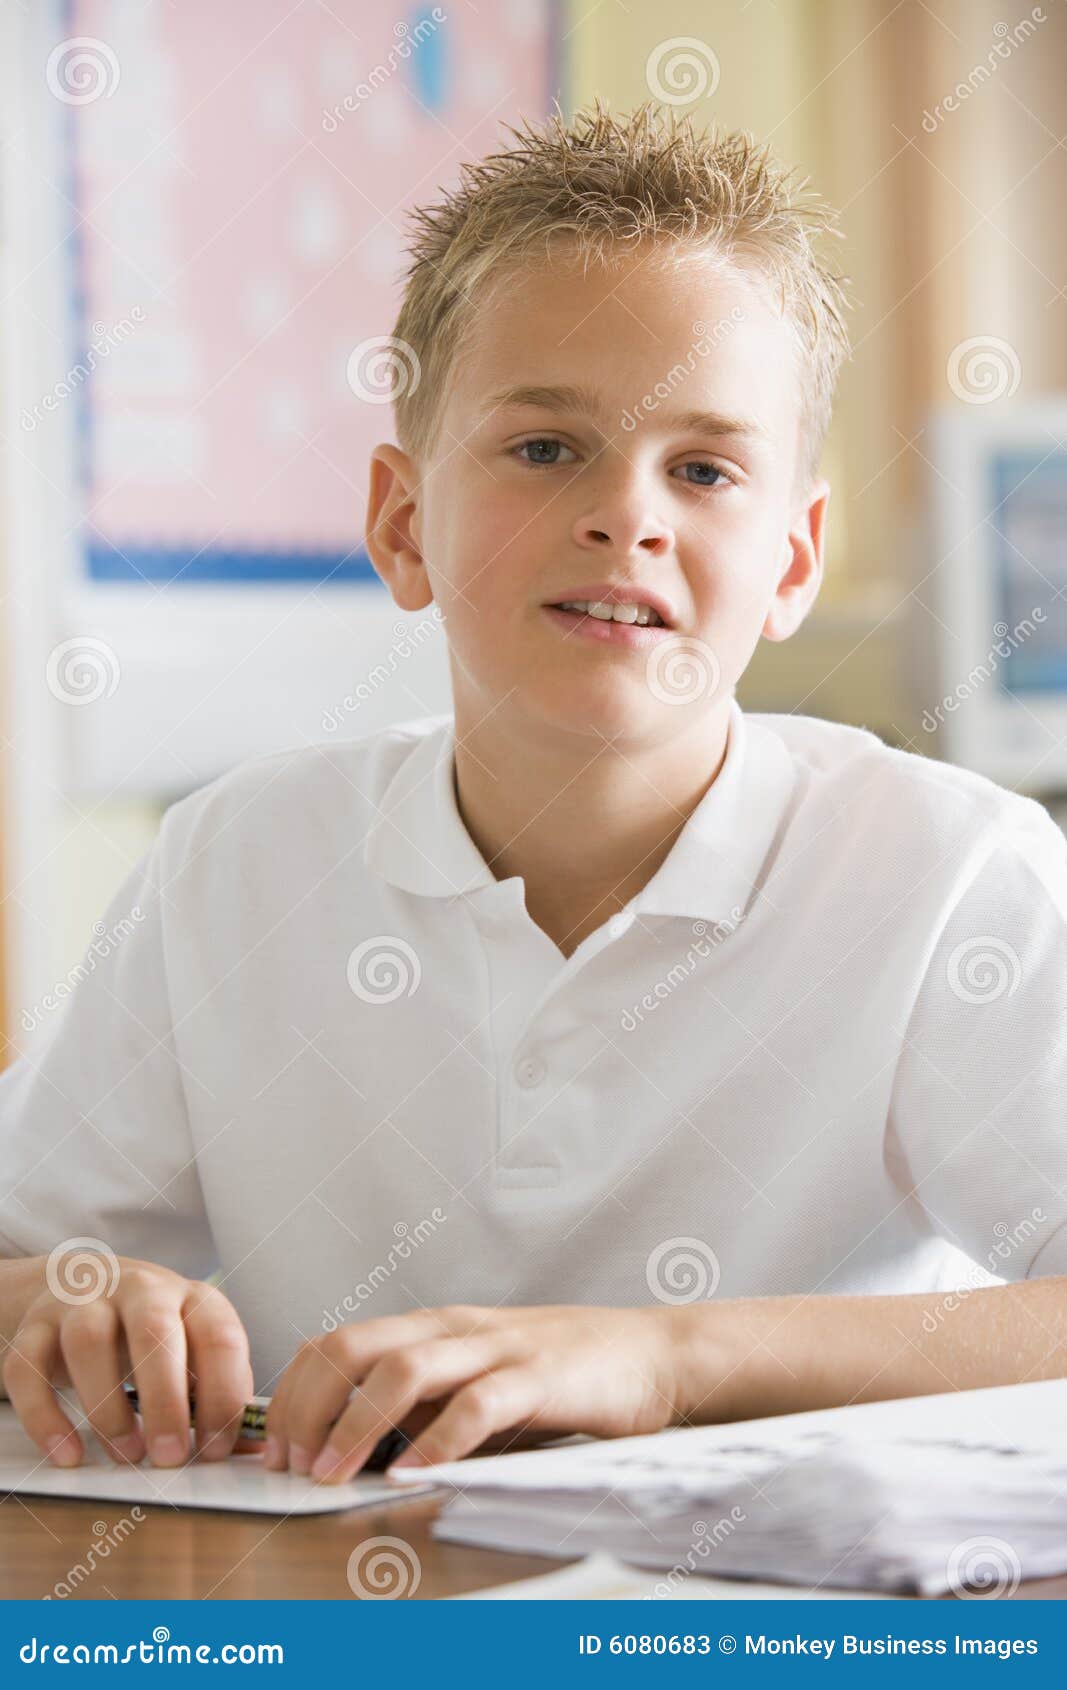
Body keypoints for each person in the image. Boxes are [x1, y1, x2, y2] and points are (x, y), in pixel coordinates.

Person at [2, 102, 1066, 1488]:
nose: (628, 514)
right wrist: (44, 1301)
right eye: (547, 447)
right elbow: (25, 1245)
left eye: (704, 468)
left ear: (795, 561)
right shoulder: (232, 863)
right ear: (402, 524)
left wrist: (659, 1357)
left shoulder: (953, 870)